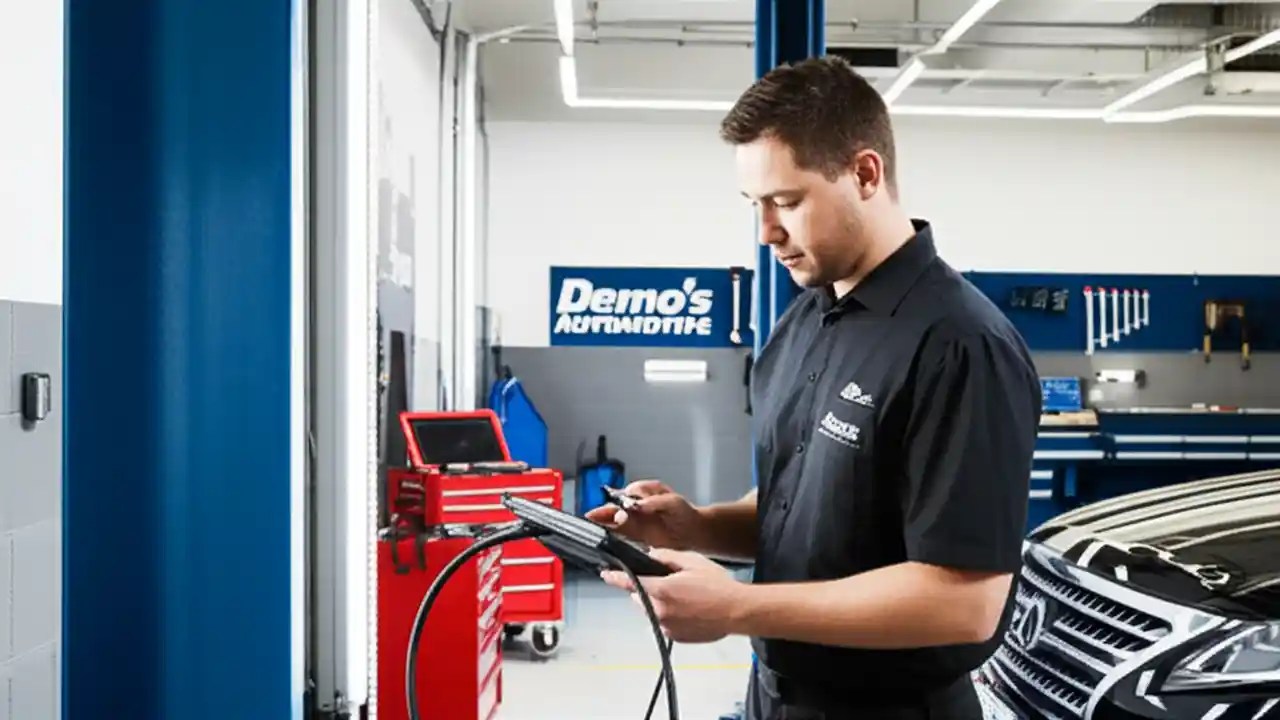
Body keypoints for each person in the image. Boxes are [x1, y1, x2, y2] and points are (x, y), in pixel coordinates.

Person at [587, 55, 1042, 719]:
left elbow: (966, 601)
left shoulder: (960, 344)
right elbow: (802, 506)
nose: (768, 232)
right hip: (777, 696)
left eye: (788, 202)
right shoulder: (804, 319)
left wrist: (738, 607)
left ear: (864, 174)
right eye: (756, 206)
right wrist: (698, 526)